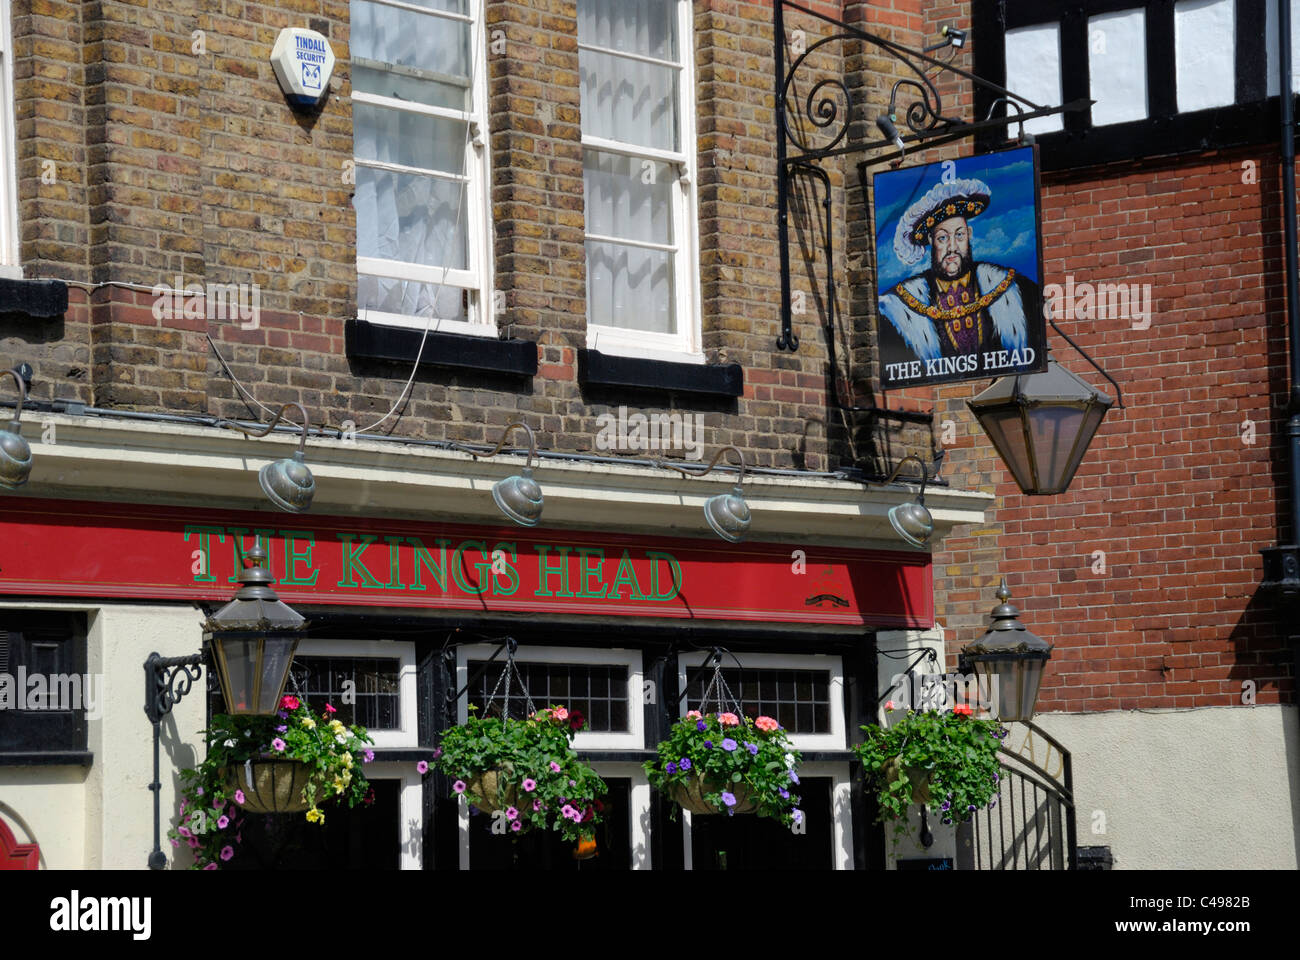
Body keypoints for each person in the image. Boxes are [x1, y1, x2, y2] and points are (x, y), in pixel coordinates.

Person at [877, 177, 1039, 383]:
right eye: (943, 238)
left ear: (969, 235)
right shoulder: (896, 308)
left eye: (959, 235)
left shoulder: (1013, 288)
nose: (952, 247)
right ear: (931, 241)